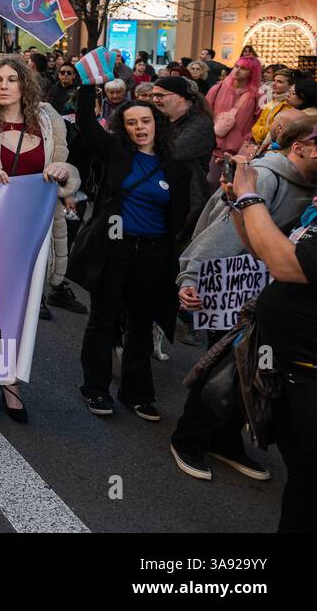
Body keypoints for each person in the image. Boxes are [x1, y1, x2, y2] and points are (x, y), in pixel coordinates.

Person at [169, 116, 317, 483]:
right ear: (299, 147)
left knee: (249, 375)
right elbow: (221, 233)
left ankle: (224, 440)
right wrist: (190, 277)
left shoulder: (310, 186)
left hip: (268, 296)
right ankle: (188, 438)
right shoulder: (265, 177)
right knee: (222, 368)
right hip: (228, 288)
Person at [0, 56, 79, 420]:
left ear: (25, 84)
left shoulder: (50, 122)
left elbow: (71, 174)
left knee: (22, 309)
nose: (5, 85)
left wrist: (63, 171)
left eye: (12, 79)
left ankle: (11, 380)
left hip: (32, 231)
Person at [68, 84, 191, 420]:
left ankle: (137, 393)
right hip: (115, 246)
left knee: (139, 325)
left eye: (145, 121)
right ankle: (95, 389)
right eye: (132, 122)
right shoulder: (116, 154)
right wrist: (89, 86)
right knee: (103, 320)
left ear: (157, 124)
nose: (139, 127)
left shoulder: (175, 167)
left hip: (154, 253)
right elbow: (87, 124)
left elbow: (180, 214)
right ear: (124, 127)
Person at [224, 150, 317, 531]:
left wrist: (251, 198)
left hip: (311, 374)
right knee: (302, 476)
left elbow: (285, 264)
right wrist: (236, 202)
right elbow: (265, 248)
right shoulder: (312, 214)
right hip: (290, 368)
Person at [149, 76, 217, 219]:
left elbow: (174, 153)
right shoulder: (164, 119)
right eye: (154, 95)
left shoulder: (200, 124)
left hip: (188, 198)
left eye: (160, 95)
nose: (155, 100)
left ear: (181, 97)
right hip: (165, 191)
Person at [205, 56, 261, 184]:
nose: (237, 70)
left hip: (240, 151)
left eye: (243, 68)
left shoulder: (257, 95)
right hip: (214, 148)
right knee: (211, 183)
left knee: (233, 186)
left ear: (252, 73)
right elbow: (205, 113)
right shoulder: (217, 88)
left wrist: (246, 139)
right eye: (236, 66)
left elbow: (260, 122)